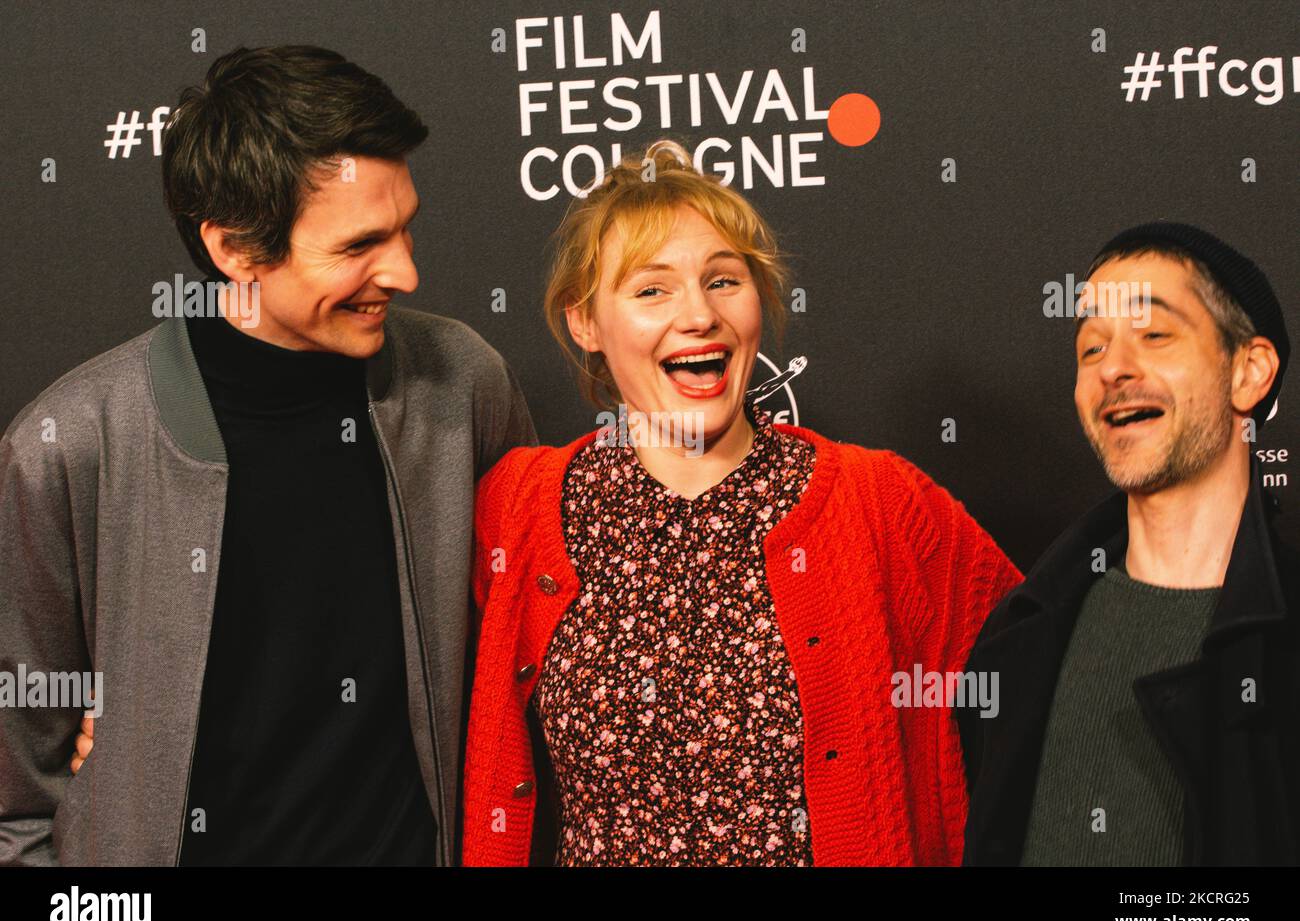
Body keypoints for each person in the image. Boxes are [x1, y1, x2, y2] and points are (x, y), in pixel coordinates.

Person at [1, 45, 535, 865]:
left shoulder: (462, 383)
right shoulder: (69, 444)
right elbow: (21, 801)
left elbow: (533, 653)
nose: (405, 271)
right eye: (359, 245)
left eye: (405, 229)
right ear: (235, 249)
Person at [460, 141, 1023, 866]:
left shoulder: (876, 501)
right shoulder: (519, 508)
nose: (699, 315)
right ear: (586, 325)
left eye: (724, 280)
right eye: (651, 290)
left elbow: (1042, 678)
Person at [959, 222, 1299, 866]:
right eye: (1091, 348)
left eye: (1154, 335)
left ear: (1248, 372)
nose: (1113, 368)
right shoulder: (1019, 636)